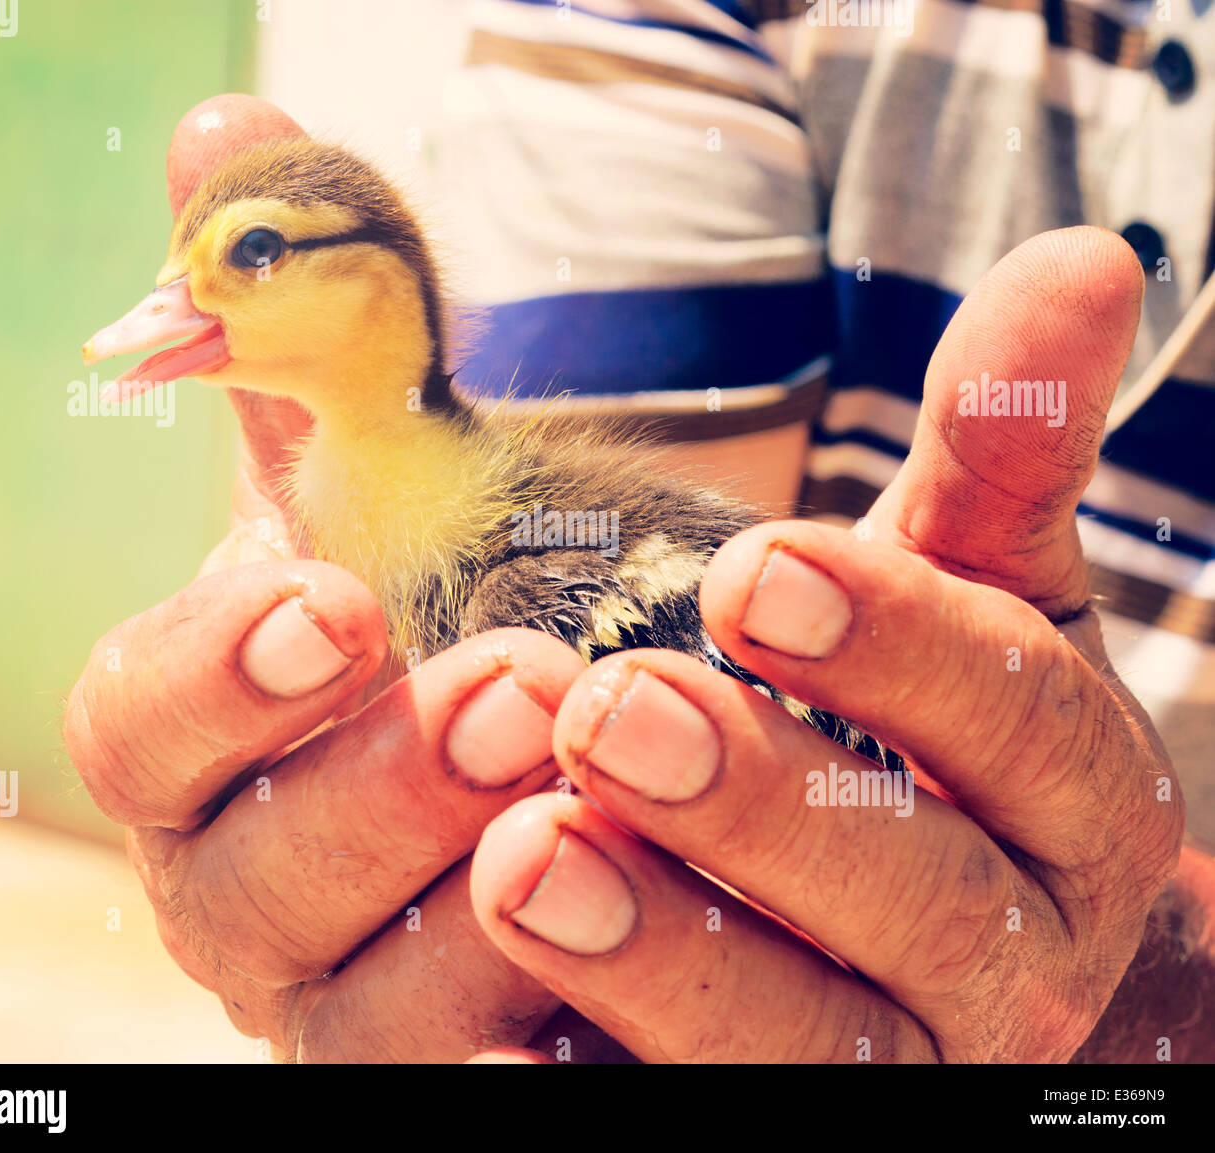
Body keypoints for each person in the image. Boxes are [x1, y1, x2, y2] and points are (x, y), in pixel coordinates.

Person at [64, 1, 1215, 1062]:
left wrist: (1114, 976)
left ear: (375, 281)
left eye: (253, 256)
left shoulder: (515, 555)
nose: (176, 308)